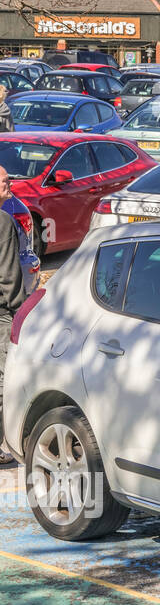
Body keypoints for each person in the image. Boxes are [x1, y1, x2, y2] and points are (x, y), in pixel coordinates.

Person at [0, 168, 30, 464]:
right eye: (4, 181)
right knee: (3, 378)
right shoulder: (3, 221)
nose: (10, 184)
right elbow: (9, 275)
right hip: (2, 313)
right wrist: (20, 311)